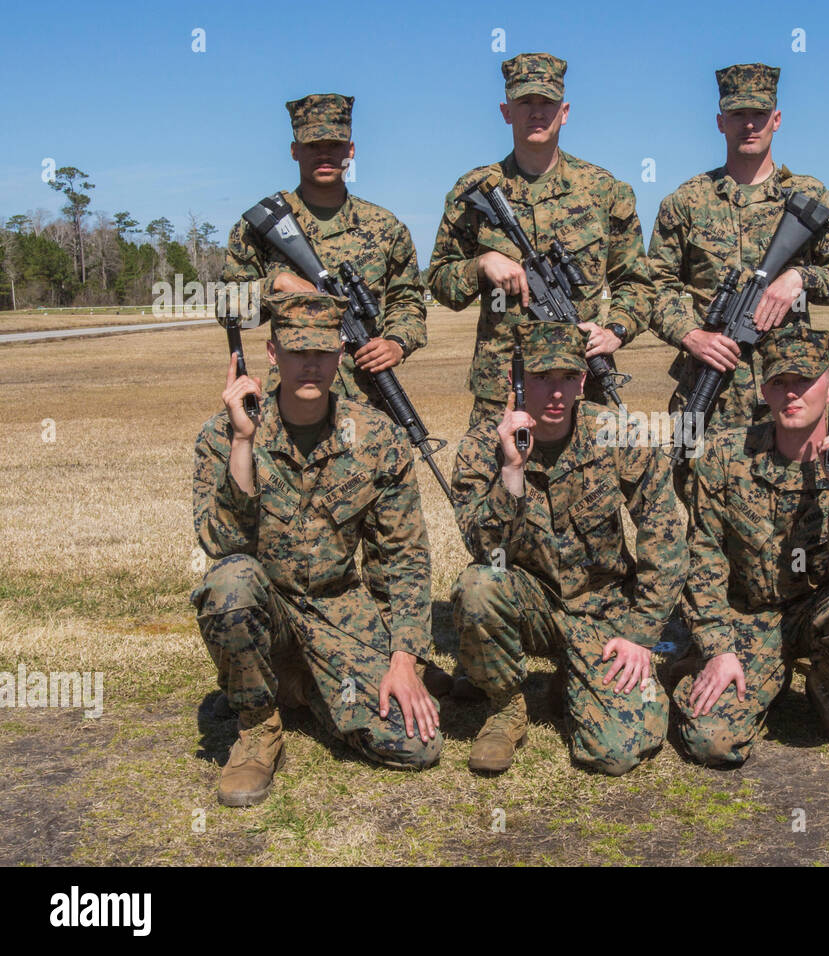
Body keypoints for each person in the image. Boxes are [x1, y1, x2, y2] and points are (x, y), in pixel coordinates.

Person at [192, 291, 441, 807]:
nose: (310, 365)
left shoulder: (376, 437)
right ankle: (258, 727)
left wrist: (404, 660)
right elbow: (221, 544)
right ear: (271, 353)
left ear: (340, 355)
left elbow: (405, 557)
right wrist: (243, 442)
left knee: (415, 745)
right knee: (229, 582)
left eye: (323, 353)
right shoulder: (223, 434)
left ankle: (296, 686)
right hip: (266, 604)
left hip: (338, 607)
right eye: (297, 351)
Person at [449, 321, 686, 775]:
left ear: (582, 381)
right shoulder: (485, 446)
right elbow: (485, 550)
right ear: (517, 383)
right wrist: (512, 471)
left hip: (604, 608)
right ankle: (505, 709)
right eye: (541, 379)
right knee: (478, 586)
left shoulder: (619, 434)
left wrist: (640, 631)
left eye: (566, 378)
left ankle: (574, 678)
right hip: (531, 604)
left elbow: (665, 540)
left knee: (615, 753)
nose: (555, 393)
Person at [672, 326, 829, 767]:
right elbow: (703, 559)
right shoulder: (723, 456)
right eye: (779, 383)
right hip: (746, 618)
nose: (791, 394)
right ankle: (701, 670)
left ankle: (826, 682)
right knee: (712, 743)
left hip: (819, 615)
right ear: (764, 392)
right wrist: (718, 648)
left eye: (804, 381)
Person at [648, 62, 829, 497]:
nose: (749, 124)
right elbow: (655, 286)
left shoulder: (810, 198)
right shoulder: (686, 202)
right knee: (695, 509)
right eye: (738, 114)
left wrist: (800, 278)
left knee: (795, 517)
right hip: (710, 389)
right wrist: (690, 335)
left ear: (776, 120)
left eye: (759, 114)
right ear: (720, 121)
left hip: (789, 393)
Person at [426, 53, 654, 429]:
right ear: (506, 111)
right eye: (525, 103)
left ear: (564, 111)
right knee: (496, 487)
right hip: (502, 390)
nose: (536, 112)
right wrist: (481, 266)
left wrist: (615, 331)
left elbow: (638, 284)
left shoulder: (604, 191)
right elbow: (440, 282)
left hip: (581, 384)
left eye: (546, 103)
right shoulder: (475, 190)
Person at [222, 92, 428, 409]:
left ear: (351, 150)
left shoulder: (386, 227)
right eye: (312, 146)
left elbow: (408, 303)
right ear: (294, 151)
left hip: (367, 400)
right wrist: (277, 285)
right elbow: (227, 309)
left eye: (334, 145)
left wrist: (396, 344)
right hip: (291, 406)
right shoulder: (261, 227)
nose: (324, 154)